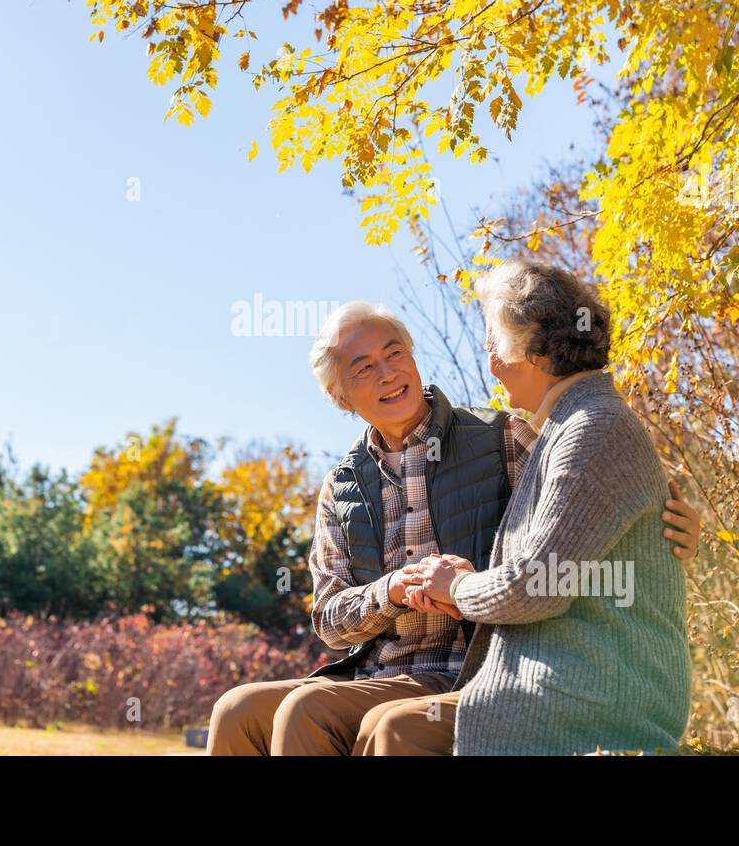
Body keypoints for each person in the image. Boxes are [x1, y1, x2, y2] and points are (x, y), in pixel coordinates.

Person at [207, 297, 700, 755]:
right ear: (340, 397)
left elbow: (587, 507)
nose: (387, 373)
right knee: (237, 710)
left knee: (306, 710)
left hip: (471, 666)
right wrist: (391, 591)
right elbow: (330, 622)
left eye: (394, 353)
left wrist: (671, 521)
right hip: (375, 673)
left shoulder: (502, 437)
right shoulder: (341, 487)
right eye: (364, 368)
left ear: (413, 357)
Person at [366, 260, 692, 755]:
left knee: (398, 731)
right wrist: (464, 580)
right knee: (384, 726)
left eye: (494, 342)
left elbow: (539, 583)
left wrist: (456, 586)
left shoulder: (593, 428)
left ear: (533, 350)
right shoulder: (564, 428)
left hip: (589, 692)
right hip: (555, 680)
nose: (490, 360)